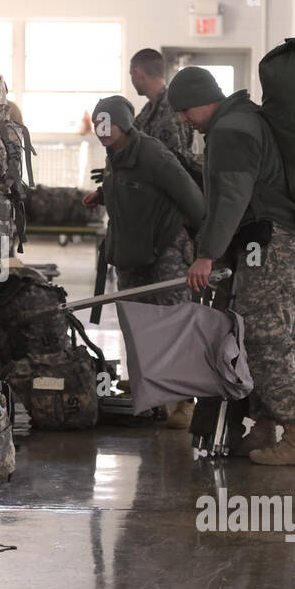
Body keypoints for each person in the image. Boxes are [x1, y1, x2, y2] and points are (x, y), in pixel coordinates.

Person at [173, 66, 295, 465]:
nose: (183, 120)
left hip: (271, 246)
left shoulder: (231, 130)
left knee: (263, 338)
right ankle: (267, 427)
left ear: (205, 100)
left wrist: (207, 253)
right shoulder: (244, 119)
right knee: (278, 335)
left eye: (185, 110)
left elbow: (231, 199)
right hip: (285, 242)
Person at [83, 95, 204, 428]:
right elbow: (129, 184)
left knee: (173, 323)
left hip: (165, 249)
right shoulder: (114, 155)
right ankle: (158, 396)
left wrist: (207, 252)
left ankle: (184, 403)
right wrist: (103, 195)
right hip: (130, 253)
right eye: (97, 124)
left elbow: (191, 198)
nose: (102, 130)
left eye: (108, 123)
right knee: (138, 326)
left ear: (125, 123)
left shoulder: (153, 153)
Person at [130, 48, 199, 170]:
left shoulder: (172, 106)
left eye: (131, 74)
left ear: (138, 73)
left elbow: (175, 163)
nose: (132, 80)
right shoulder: (148, 109)